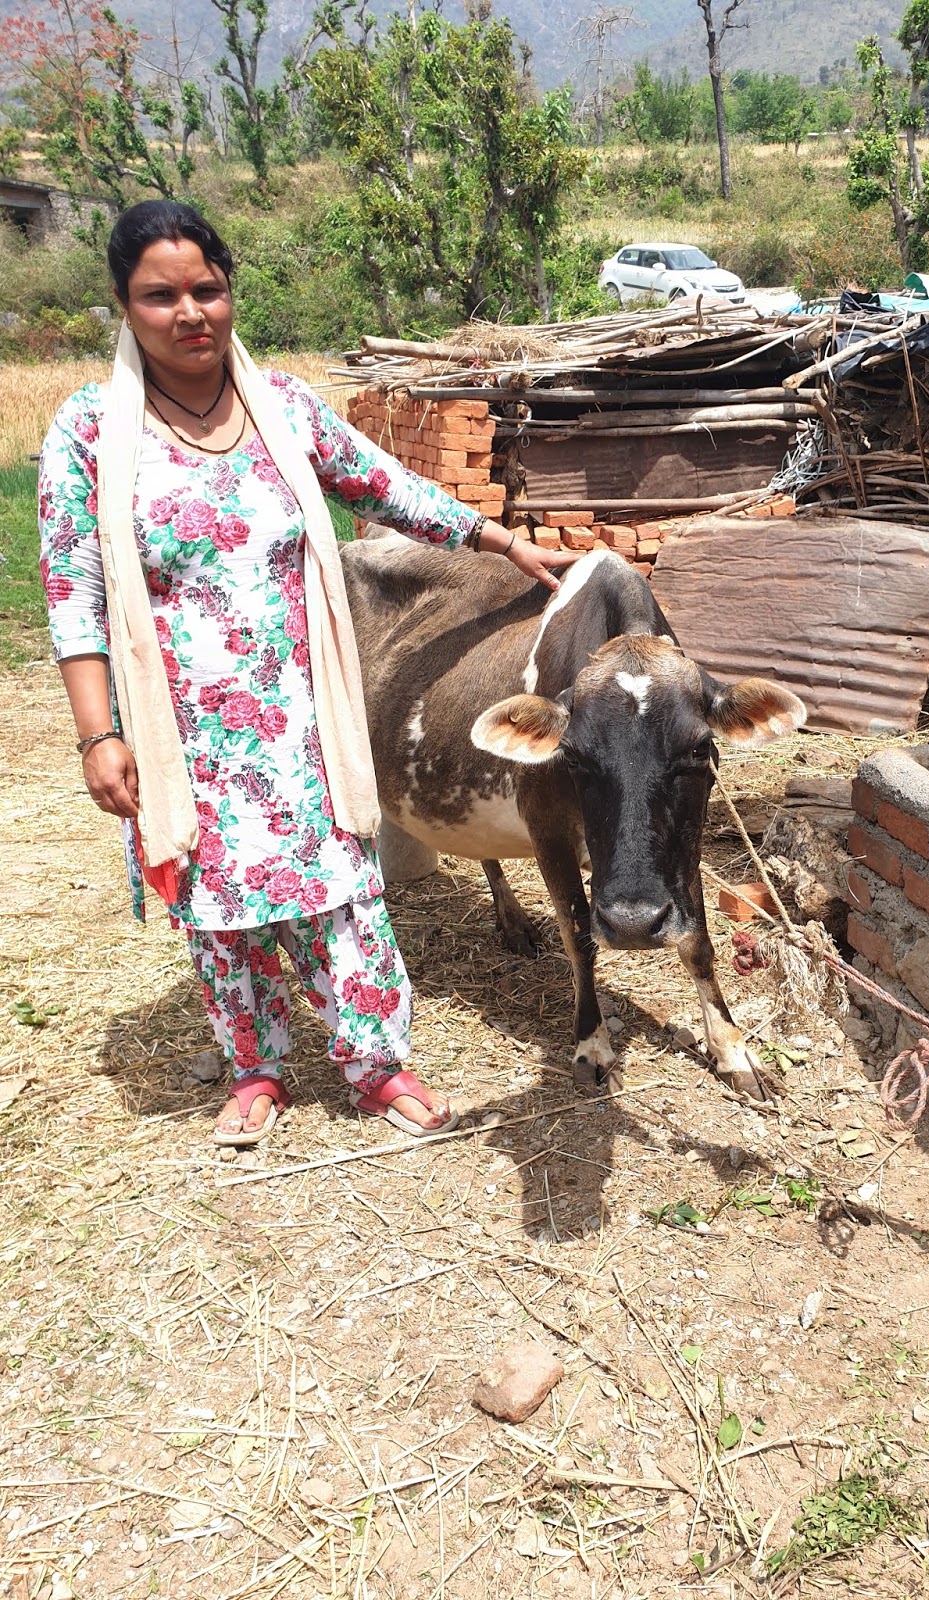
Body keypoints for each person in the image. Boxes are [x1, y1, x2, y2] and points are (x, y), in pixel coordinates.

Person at [38, 199, 576, 1147]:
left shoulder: (280, 407)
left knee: (341, 891)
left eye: (208, 288)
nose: (190, 311)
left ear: (230, 291)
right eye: (161, 295)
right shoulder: (90, 430)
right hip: (184, 723)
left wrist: (497, 538)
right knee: (219, 903)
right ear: (125, 306)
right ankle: (255, 1073)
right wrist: (100, 733)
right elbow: (73, 589)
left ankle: (378, 1066)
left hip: (308, 706)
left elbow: (385, 486)